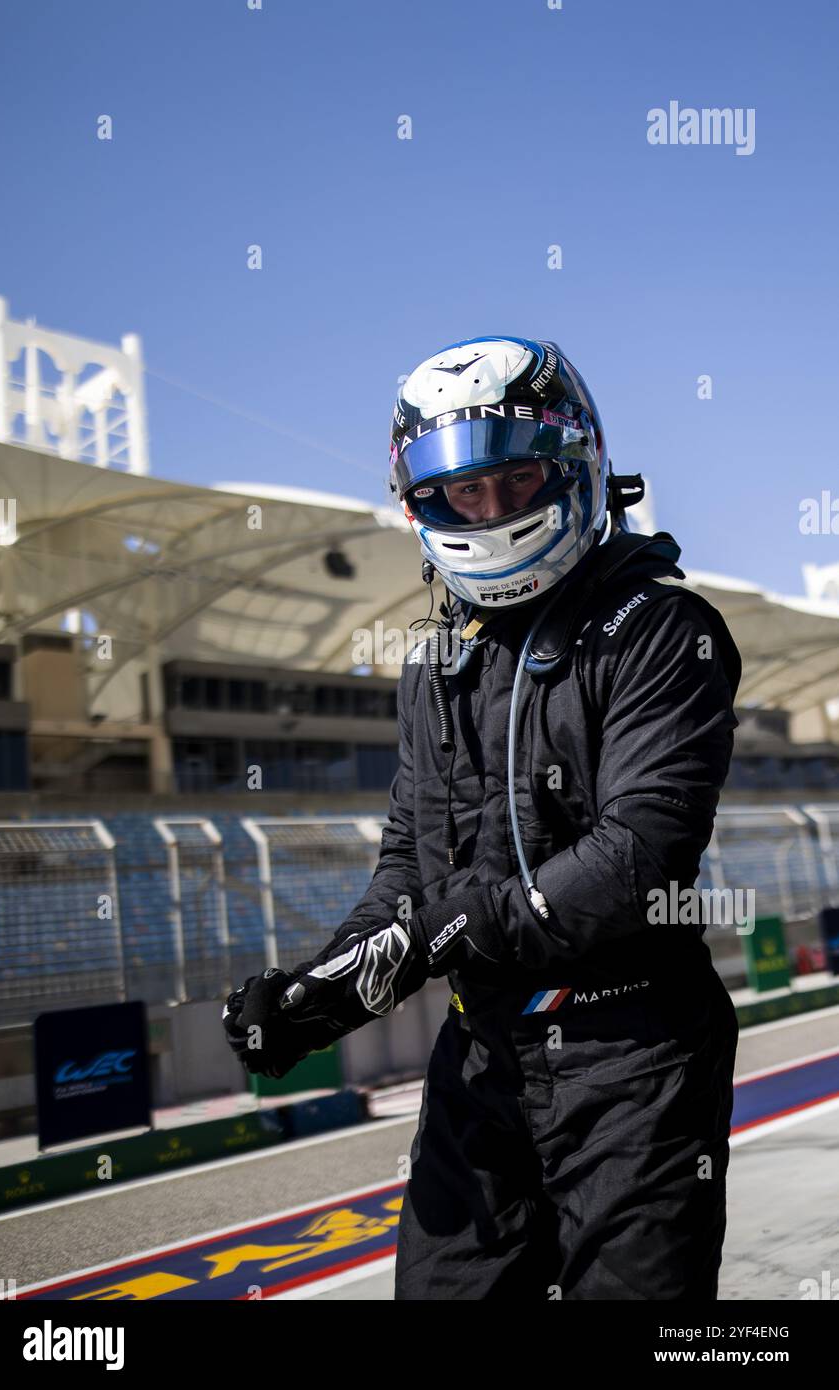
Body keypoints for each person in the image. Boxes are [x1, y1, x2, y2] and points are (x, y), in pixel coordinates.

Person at [222, 335, 743, 1301]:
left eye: (514, 482)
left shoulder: (665, 630)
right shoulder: (432, 662)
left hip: (633, 1059)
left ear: (573, 469)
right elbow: (407, 868)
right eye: (466, 494)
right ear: (424, 501)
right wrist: (322, 991)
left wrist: (453, 925)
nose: (491, 512)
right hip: (481, 1056)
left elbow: (643, 855)